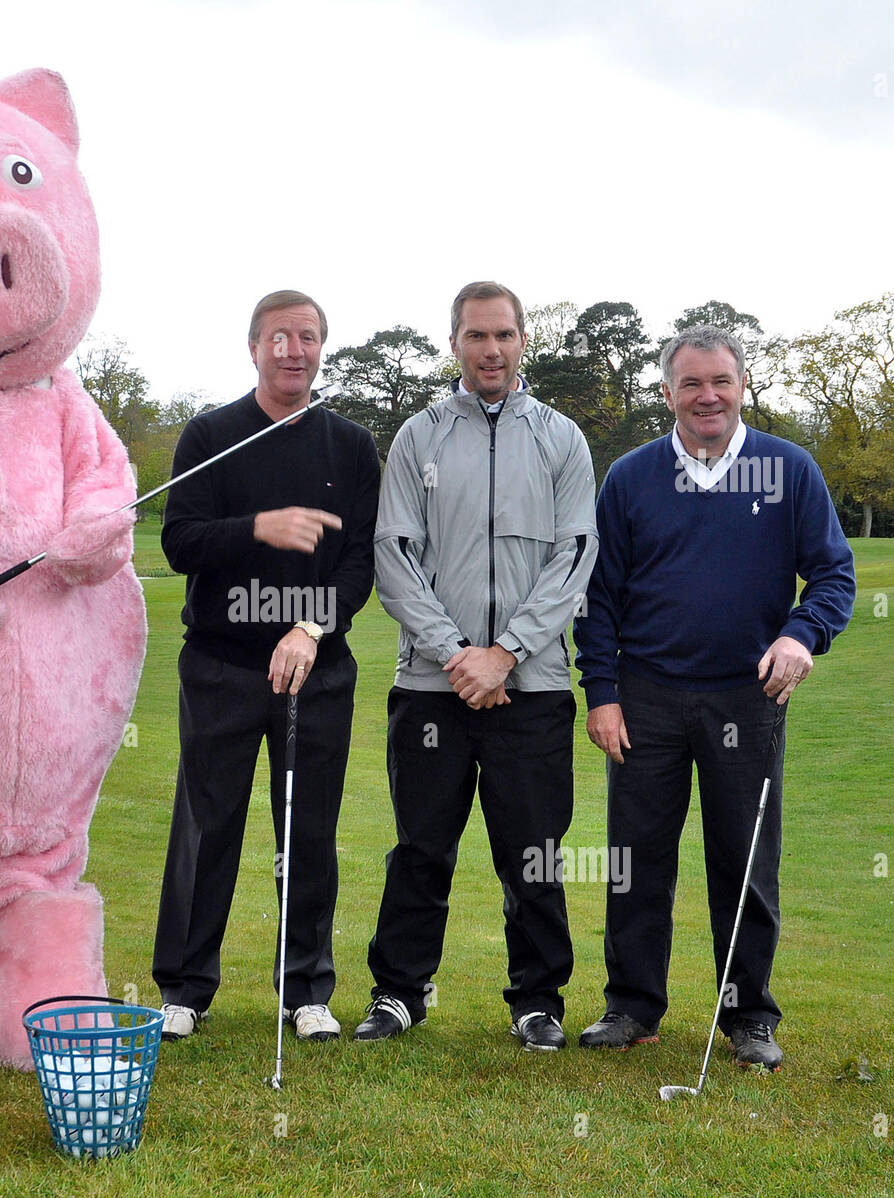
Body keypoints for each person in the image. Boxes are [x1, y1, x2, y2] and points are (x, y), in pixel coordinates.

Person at [573, 324, 855, 1069]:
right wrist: (601, 692)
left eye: (720, 382)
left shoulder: (788, 469)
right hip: (645, 698)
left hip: (747, 697)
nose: (707, 396)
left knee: (746, 861)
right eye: (691, 384)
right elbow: (597, 598)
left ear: (742, 386)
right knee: (636, 861)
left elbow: (833, 574)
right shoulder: (629, 477)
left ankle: (748, 1016)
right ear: (666, 393)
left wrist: (802, 634)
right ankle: (632, 1007)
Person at [357, 280, 598, 1051]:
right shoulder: (418, 436)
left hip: (532, 688)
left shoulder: (562, 438)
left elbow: (575, 556)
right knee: (421, 845)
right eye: (475, 336)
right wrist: (459, 655)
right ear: (454, 342)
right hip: (433, 686)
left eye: (503, 335)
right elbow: (393, 555)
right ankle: (400, 990)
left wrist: (507, 654)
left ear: (524, 339)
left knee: (532, 852)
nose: (490, 349)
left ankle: (537, 997)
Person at [152, 290, 380, 1041]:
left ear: (322, 350)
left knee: (308, 831)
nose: (295, 349)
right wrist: (258, 527)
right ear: (254, 347)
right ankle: (185, 988)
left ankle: (306, 989)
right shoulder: (211, 435)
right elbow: (180, 541)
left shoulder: (348, 444)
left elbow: (358, 563)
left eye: (308, 338)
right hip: (220, 663)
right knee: (206, 824)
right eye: (279, 337)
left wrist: (312, 628)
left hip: (315, 664)